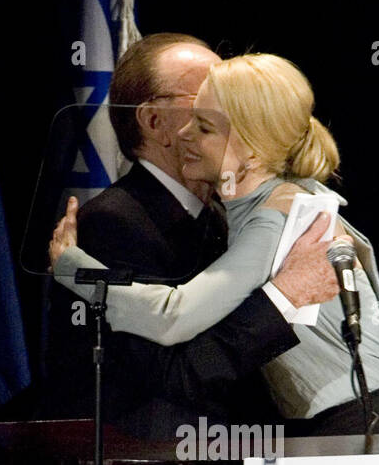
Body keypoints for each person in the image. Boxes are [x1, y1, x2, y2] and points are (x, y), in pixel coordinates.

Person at [52, 53, 379, 435]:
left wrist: (71, 267)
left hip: (370, 424)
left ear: (252, 147)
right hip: (345, 423)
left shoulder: (275, 219)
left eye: (204, 127)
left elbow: (171, 316)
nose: (185, 134)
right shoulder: (253, 207)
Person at [42, 34, 339, 437]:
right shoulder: (112, 223)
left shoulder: (231, 215)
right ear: (154, 122)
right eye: (207, 95)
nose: (234, 107)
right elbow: (178, 376)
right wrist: (286, 295)